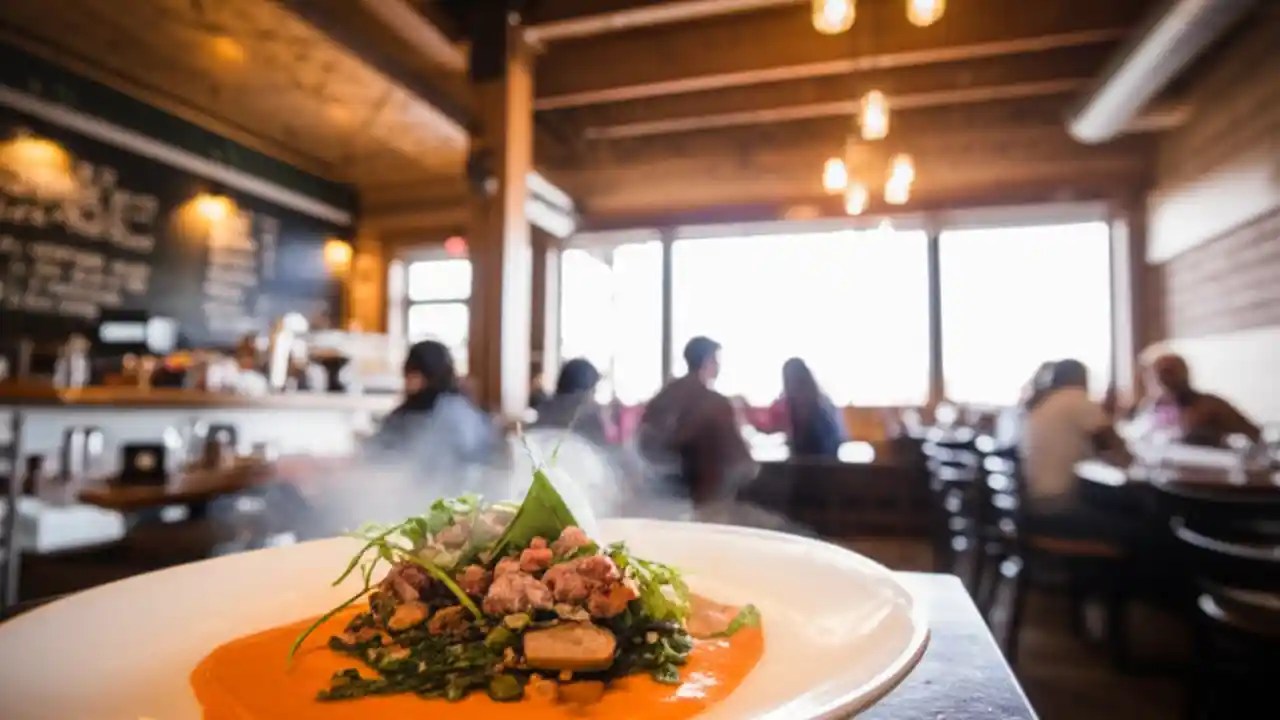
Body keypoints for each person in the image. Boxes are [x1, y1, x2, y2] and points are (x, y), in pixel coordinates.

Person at [1019, 359, 1133, 540]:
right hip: (1057, 506)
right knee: (1142, 529)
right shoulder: (1076, 400)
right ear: (1081, 378)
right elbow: (1115, 447)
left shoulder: (1044, 404)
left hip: (1035, 503)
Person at [638, 337, 754, 506]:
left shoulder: (666, 395)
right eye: (716, 360)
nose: (718, 366)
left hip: (662, 486)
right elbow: (742, 460)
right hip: (704, 491)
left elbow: (648, 438)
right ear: (708, 361)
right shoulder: (714, 403)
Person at [366, 340, 498, 470]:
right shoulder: (409, 412)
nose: (407, 383)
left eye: (412, 375)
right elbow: (378, 448)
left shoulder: (454, 415)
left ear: (429, 375)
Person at [1134, 352, 1260, 447]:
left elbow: (1254, 434)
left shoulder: (1211, 406)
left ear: (1184, 374)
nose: (1162, 379)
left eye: (1168, 372)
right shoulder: (1150, 408)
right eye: (1154, 375)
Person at [764, 358, 847, 458]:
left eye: (794, 381)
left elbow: (832, 442)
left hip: (823, 462)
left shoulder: (822, 406)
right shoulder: (790, 404)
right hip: (800, 462)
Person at [532, 358, 615, 446]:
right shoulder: (589, 419)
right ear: (583, 394)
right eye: (593, 390)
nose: (593, 397)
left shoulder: (542, 413)